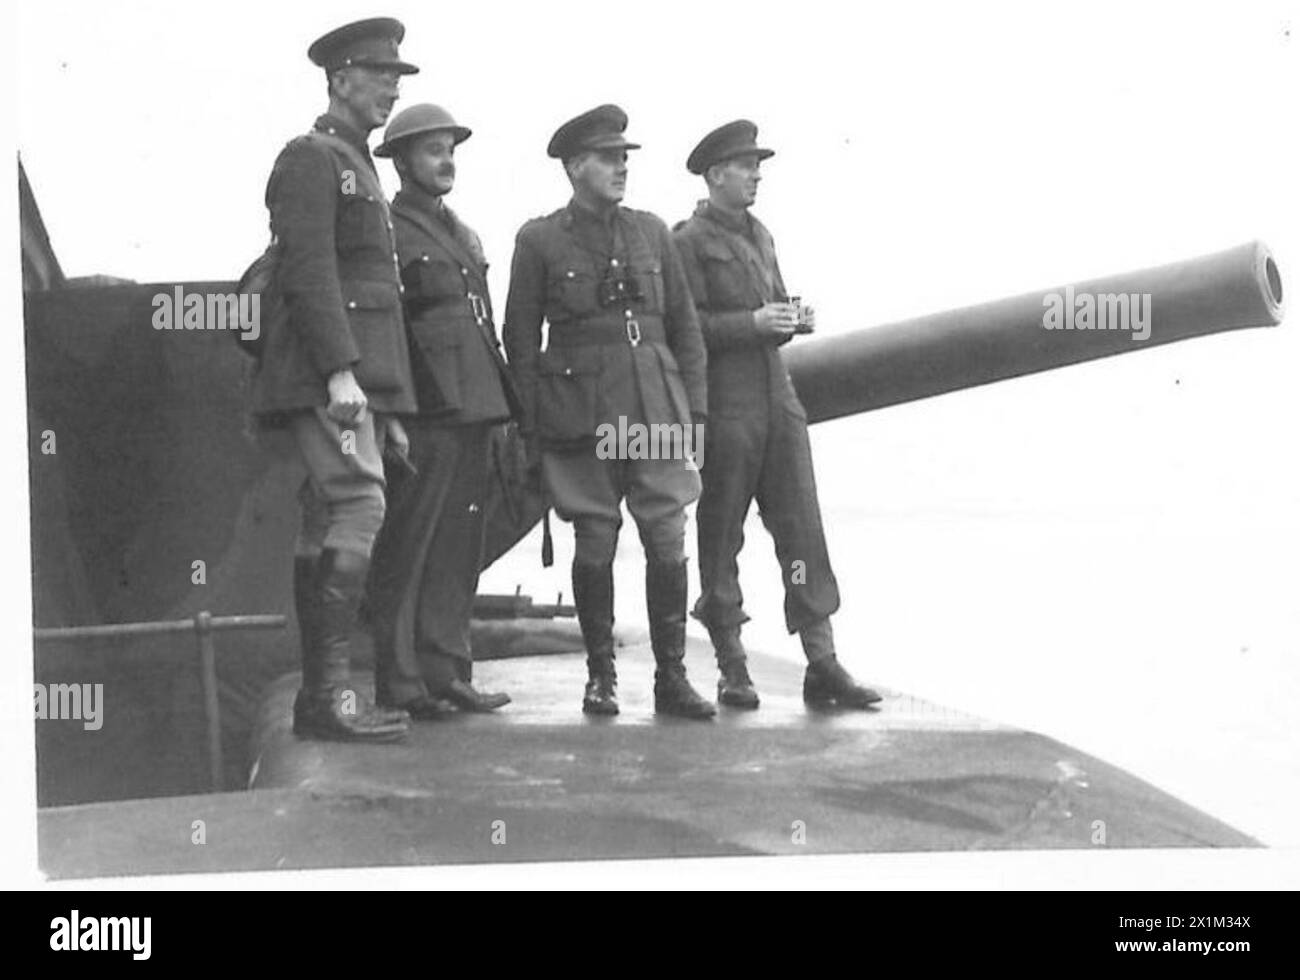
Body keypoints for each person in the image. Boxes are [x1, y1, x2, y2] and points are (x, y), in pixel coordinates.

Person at [503, 105, 715, 719]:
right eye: (608, 158)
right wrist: (531, 429)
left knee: (667, 534)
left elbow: (686, 331)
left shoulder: (652, 233)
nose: (622, 167)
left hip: (652, 411)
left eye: (625, 157)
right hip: (583, 415)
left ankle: (672, 677)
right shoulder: (538, 240)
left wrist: (694, 416)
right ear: (574, 167)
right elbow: (521, 342)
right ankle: (601, 676)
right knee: (595, 535)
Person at [248, 17, 419, 741]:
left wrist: (382, 400)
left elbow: (369, 291)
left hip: (353, 379)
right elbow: (311, 272)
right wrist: (340, 374)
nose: (391, 89)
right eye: (379, 76)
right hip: (329, 375)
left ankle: (320, 700)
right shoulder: (312, 159)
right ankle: (331, 701)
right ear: (339, 80)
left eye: (396, 78)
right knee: (359, 506)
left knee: (327, 511)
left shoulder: (357, 163)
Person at [672, 120, 882, 710]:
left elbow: (775, 303)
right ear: (716, 175)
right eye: (746, 166)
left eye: (757, 165)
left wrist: (792, 317)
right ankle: (732, 664)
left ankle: (822, 660)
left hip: (778, 399)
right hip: (728, 405)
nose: (757, 174)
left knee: (800, 530)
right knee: (722, 537)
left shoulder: (762, 235)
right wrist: (752, 325)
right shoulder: (687, 242)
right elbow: (686, 329)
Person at [365, 103, 520, 718]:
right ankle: (401, 682)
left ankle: (446, 672)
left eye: (451, 148)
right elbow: (386, 328)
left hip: (476, 402)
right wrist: (391, 412)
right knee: (408, 545)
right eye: (433, 150)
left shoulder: (463, 233)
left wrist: (505, 407)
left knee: (459, 545)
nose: (447, 159)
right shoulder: (387, 230)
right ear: (402, 162)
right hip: (426, 406)